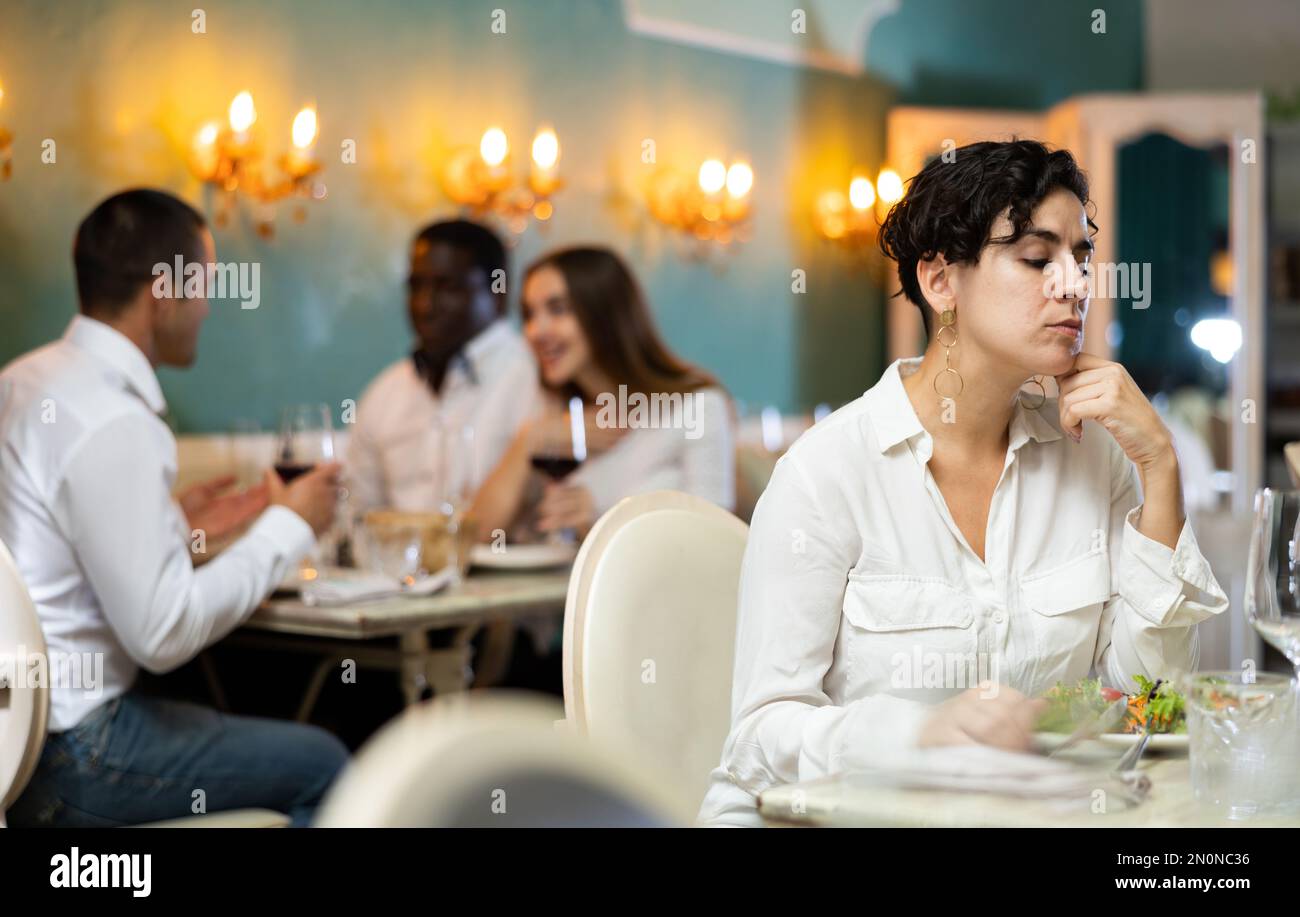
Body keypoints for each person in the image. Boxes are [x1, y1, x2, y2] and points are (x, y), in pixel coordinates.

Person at [698, 140, 1229, 826]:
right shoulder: (825, 475)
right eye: (1039, 258)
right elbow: (757, 739)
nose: (1075, 283)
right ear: (940, 279)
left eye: (1081, 256)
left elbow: (1148, 701)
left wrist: (1160, 465)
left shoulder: (1094, 459)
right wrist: (915, 735)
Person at [0, 189, 347, 827]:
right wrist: (291, 524)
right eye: (205, 287)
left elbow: (44, 545)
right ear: (164, 289)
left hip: (11, 739)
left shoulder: (22, 382)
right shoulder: (114, 419)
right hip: (72, 753)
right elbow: (162, 634)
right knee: (326, 762)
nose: (208, 310)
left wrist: (172, 527)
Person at [470, 245, 735, 544]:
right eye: (530, 314)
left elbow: (715, 545)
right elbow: (477, 534)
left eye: (557, 309)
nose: (535, 330)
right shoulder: (552, 415)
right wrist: (529, 439)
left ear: (604, 314)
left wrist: (600, 522)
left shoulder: (697, 407)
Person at [346, 220, 538, 515]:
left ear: (498, 294)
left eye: (447, 286)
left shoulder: (536, 379)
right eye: (416, 286)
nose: (425, 304)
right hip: (396, 561)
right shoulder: (385, 392)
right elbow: (359, 514)